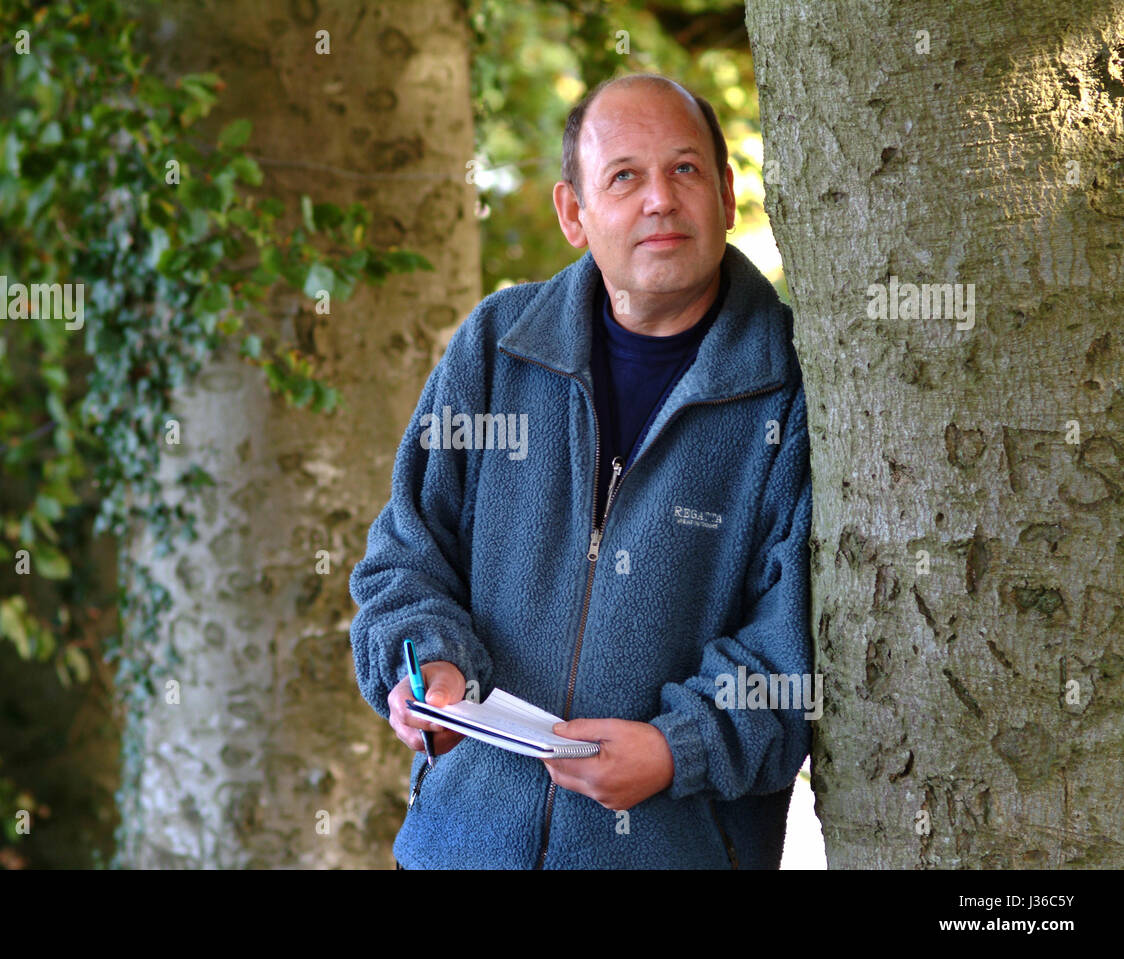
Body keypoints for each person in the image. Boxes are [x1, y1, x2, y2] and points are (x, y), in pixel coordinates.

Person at [348, 72, 814, 869]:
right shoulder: (497, 347)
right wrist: (428, 662)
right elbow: (404, 553)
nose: (661, 200)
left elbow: (795, 642)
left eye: (686, 170)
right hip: (458, 849)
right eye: (625, 176)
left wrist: (676, 749)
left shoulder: (793, 383)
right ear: (574, 212)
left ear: (729, 194)